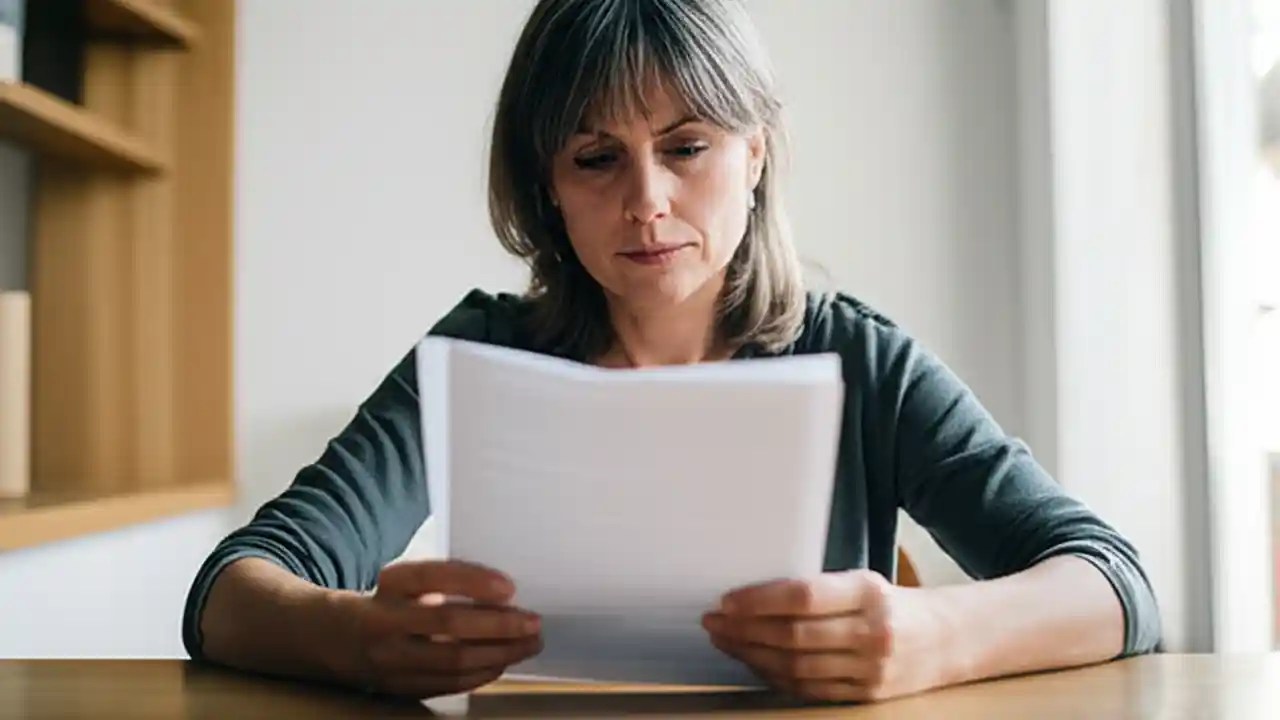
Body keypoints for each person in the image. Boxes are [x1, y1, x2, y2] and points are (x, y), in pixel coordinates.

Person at [184, 0, 1161, 704]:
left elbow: (1112, 582)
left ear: (755, 153)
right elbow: (231, 589)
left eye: (685, 146)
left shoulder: (860, 361)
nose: (645, 200)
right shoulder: (475, 350)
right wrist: (359, 640)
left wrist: (934, 634)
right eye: (595, 157)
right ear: (548, 189)